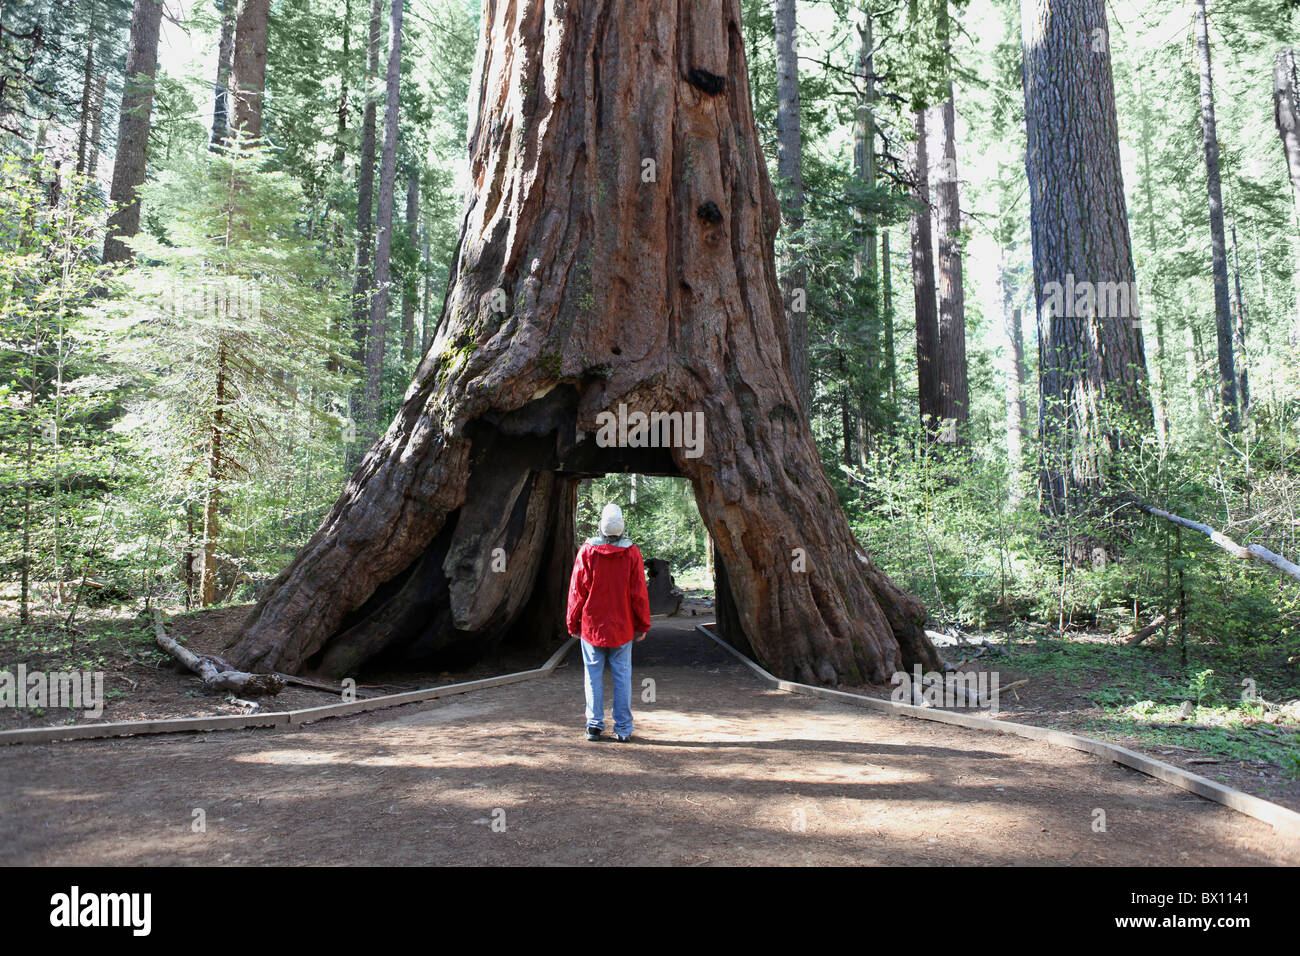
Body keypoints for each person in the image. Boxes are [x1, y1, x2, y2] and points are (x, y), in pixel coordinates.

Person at [566, 502, 651, 742]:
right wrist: (642, 624)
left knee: (592, 675)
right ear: (621, 528)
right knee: (622, 676)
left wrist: (573, 623)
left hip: (592, 626)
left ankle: (594, 725)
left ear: (601, 528)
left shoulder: (587, 551)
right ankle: (623, 729)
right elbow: (639, 592)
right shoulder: (632, 552)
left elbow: (577, 591)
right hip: (622, 627)